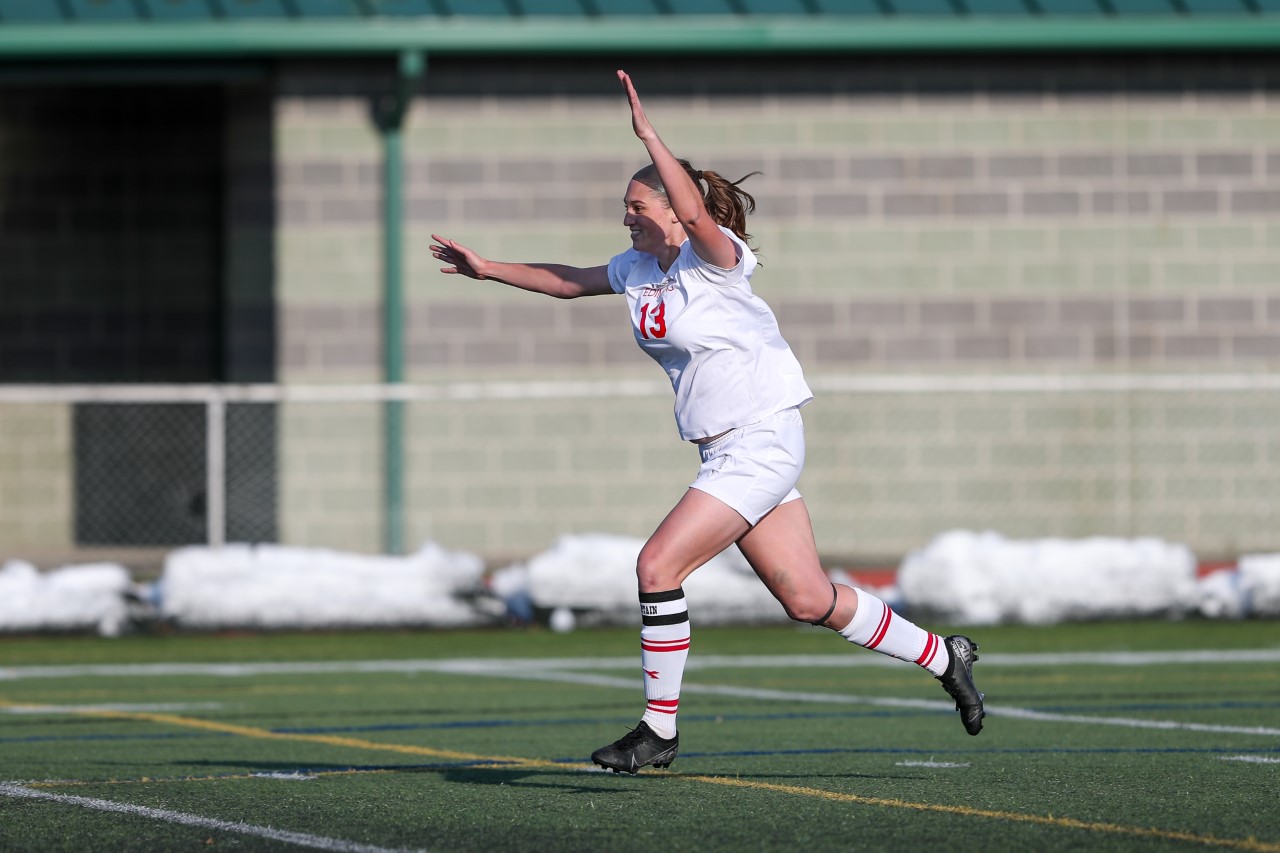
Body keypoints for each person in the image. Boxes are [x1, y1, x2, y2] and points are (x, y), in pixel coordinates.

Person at [431, 70, 985, 776]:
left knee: (657, 565)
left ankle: (658, 729)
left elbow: (695, 216)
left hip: (761, 439)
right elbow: (569, 280)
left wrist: (651, 137)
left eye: (636, 204)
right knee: (807, 597)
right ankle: (945, 654)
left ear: (671, 206)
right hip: (726, 452)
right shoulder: (637, 269)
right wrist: (487, 269)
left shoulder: (713, 258)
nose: (625, 216)